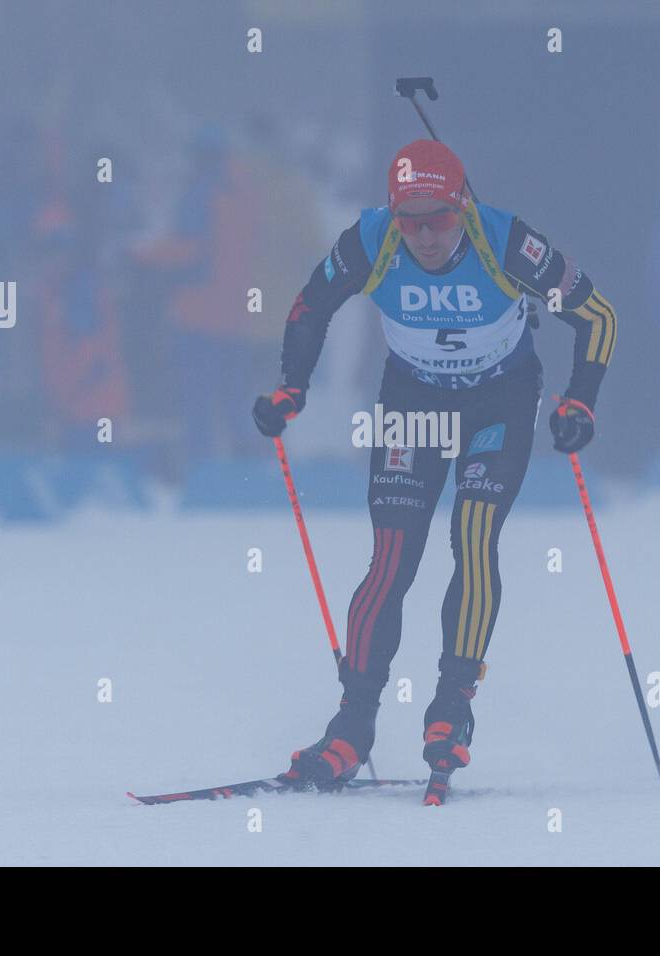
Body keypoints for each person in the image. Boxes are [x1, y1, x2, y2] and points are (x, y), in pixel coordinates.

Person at [252, 140, 617, 801]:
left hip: (499, 402)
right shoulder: (372, 239)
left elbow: (596, 314)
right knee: (392, 558)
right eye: (409, 220)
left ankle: (452, 707)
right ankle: (352, 725)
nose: (422, 236)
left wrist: (580, 403)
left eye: (437, 219)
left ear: (462, 208)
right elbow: (311, 305)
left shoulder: (505, 241)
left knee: (473, 537)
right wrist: (292, 389)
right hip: (413, 400)